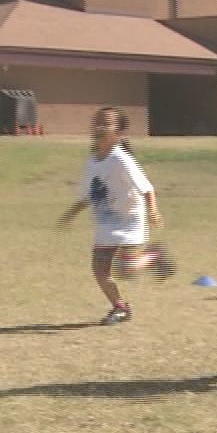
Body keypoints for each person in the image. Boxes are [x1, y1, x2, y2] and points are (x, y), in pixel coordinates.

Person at [57, 107, 174, 324]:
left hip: (129, 221)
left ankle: (154, 256)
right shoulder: (92, 163)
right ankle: (120, 307)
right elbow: (87, 195)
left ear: (119, 133)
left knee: (126, 268)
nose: (99, 127)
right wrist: (71, 213)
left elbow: (147, 188)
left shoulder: (122, 160)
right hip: (105, 224)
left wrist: (153, 211)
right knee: (100, 272)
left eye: (106, 123)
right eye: (97, 122)